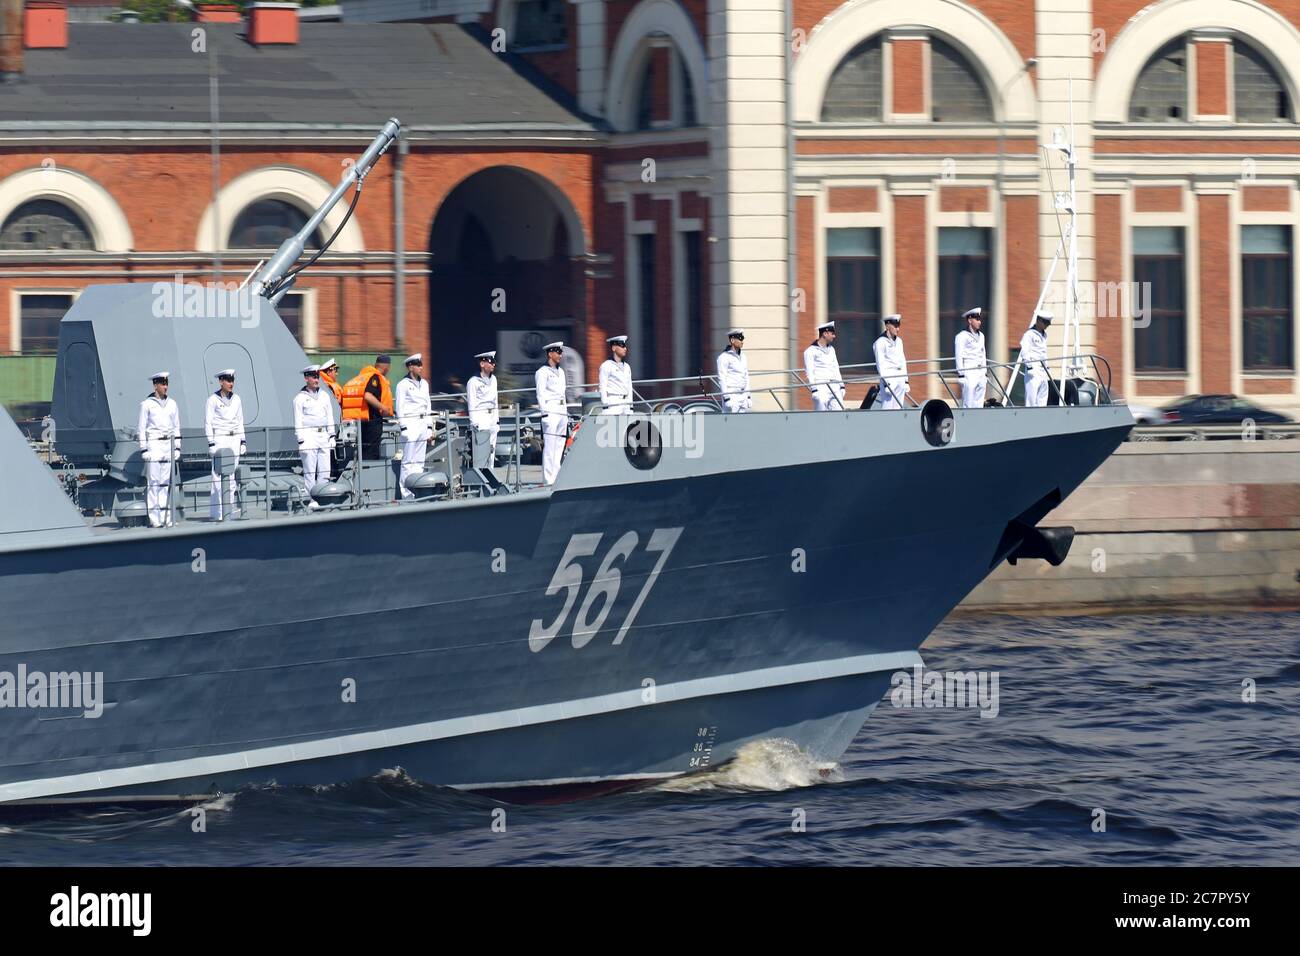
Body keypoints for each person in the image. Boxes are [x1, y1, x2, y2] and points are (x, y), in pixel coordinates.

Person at [137, 371, 181, 528]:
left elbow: (176, 427)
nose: (165, 387)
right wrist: (144, 449)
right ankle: (154, 518)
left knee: (165, 482)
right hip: (154, 444)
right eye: (162, 384)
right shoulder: (146, 405)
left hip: (167, 445)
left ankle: (165, 516)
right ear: (155, 385)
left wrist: (177, 447)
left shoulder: (172, 404)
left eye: (166, 383)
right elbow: (141, 428)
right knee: (154, 482)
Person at [204, 369, 245, 521]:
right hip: (220, 438)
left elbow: (240, 421)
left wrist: (243, 441)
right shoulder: (212, 400)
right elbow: (208, 423)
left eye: (232, 380)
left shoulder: (237, 399)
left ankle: (229, 510)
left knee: (232, 477)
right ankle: (217, 513)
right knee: (217, 478)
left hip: (234, 439)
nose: (231, 383)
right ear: (221, 381)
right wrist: (211, 443)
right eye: (228, 380)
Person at [293, 364, 336, 506]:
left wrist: (331, 435)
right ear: (306, 378)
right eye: (313, 377)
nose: (316, 379)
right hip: (308, 435)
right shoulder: (299, 398)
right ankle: (312, 498)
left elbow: (329, 416)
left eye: (317, 376)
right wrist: (301, 440)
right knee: (310, 470)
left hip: (323, 434)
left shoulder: (324, 395)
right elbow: (298, 420)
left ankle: (322, 496)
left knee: (325, 469)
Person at [395, 353, 433, 499]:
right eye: (418, 365)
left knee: (419, 460)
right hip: (410, 424)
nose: (421, 367)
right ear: (410, 367)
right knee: (408, 461)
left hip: (422, 423)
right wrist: (403, 427)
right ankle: (406, 494)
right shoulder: (402, 385)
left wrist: (429, 427)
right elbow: (400, 407)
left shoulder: (425, 384)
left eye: (421, 364)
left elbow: (428, 406)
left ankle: (417, 489)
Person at [341, 354, 392, 461]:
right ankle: (369, 476)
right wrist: (384, 407)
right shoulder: (375, 378)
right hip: (372, 422)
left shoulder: (363, 376)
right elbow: (368, 396)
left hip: (361, 422)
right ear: (386, 367)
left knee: (363, 451)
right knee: (371, 454)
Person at [534, 341, 568, 486]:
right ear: (550, 354)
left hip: (561, 411)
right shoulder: (542, 372)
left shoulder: (561, 372)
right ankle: (548, 479)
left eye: (561, 352)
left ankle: (557, 475)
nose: (560, 355)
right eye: (558, 352)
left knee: (560, 445)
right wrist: (544, 413)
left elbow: (563, 393)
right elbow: (540, 394)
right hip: (550, 411)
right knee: (550, 446)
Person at [467, 350, 500, 468]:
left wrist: (497, 420)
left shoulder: (494, 379)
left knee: (492, 451)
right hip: (480, 418)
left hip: (492, 418)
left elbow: (495, 401)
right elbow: (472, 404)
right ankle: (481, 477)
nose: (493, 365)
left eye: (493, 362)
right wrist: (474, 423)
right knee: (481, 452)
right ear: (482, 364)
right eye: (490, 362)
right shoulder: (473, 382)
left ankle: (490, 476)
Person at [873, 314, 910, 409]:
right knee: (887, 408)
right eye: (895, 326)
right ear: (887, 326)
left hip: (900, 377)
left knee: (899, 407)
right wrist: (886, 382)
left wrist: (906, 381)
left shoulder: (899, 341)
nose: (898, 329)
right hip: (889, 378)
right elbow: (880, 364)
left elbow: (903, 361)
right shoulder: (880, 342)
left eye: (898, 326)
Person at [954, 307, 987, 409]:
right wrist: (961, 375)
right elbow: (959, 356)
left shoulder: (981, 336)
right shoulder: (962, 336)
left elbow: (983, 353)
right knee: (968, 402)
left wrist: (985, 371)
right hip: (969, 370)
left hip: (980, 371)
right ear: (969, 320)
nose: (979, 322)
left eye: (980, 319)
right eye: (977, 319)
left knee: (979, 401)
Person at [1020, 310, 1053, 407]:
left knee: (1042, 396)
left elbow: (1043, 354)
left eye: (1048, 323)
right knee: (1031, 398)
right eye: (1046, 322)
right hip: (1033, 369)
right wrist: (1029, 367)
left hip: (1043, 370)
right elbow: (1024, 351)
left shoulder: (1044, 335)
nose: (1047, 325)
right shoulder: (1029, 334)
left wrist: (1047, 367)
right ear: (1039, 321)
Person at [716, 328, 751, 413]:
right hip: (732, 395)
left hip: (743, 394)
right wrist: (726, 397)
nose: (742, 341)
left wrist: (748, 396)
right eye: (740, 339)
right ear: (732, 340)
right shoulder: (723, 357)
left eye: (742, 339)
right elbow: (721, 378)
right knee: (730, 423)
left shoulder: (743, 357)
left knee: (742, 424)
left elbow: (746, 376)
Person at [598, 335, 634, 414]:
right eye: (622, 346)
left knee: (628, 425)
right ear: (614, 348)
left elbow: (629, 387)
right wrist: (605, 405)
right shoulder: (606, 365)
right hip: (613, 402)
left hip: (626, 402)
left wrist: (631, 406)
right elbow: (602, 387)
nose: (625, 348)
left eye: (625, 346)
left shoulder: (627, 366)